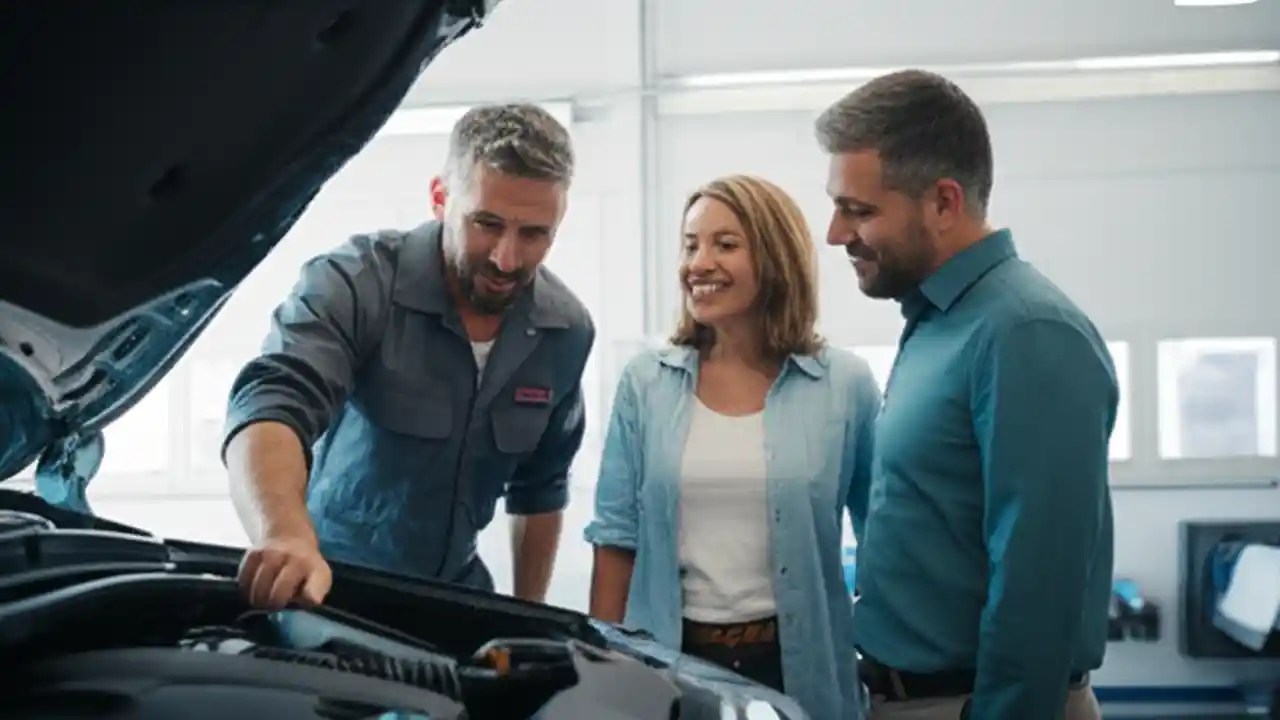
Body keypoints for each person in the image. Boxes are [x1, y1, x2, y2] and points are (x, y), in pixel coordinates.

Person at [815, 69, 1116, 720]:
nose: (837, 233)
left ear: (944, 203)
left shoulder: (1025, 333)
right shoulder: (940, 322)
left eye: (859, 210)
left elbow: (1041, 582)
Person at [222, 103, 594, 609]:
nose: (507, 258)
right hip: (331, 591)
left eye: (534, 234)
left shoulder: (566, 331)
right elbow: (272, 403)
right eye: (486, 223)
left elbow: (542, 488)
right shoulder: (354, 283)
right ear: (441, 198)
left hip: (454, 596)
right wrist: (284, 535)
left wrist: (532, 616)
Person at [585, 174, 881, 720]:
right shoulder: (647, 382)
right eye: (691, 243)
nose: (698, 263)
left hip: (799, 666)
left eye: (725, 244)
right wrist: (602, 677)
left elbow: (881, 535)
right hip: (671, 663)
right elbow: (615, 539)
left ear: (775, 257)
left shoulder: (844, 384)